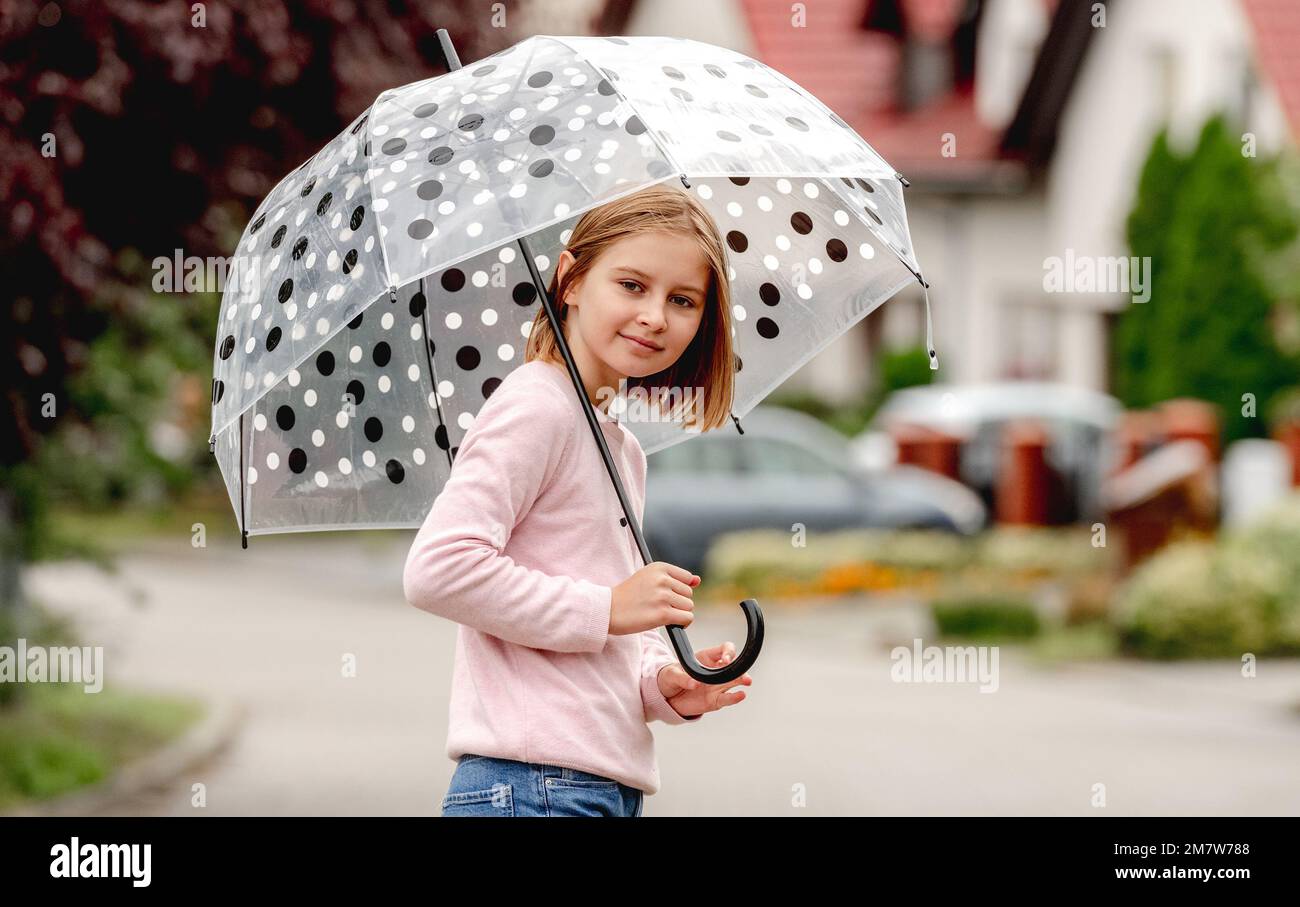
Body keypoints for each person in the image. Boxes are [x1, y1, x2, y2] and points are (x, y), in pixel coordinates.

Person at [403, 183, 754, 817]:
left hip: (597, 788)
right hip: (531, 787)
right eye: (631, 285)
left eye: (682, 299)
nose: (654, 315)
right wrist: (610, 607)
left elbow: (602, 635)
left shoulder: (622, 450)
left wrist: (664, 683)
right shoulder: (537, 406)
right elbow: (439, 570)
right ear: (569, 281)